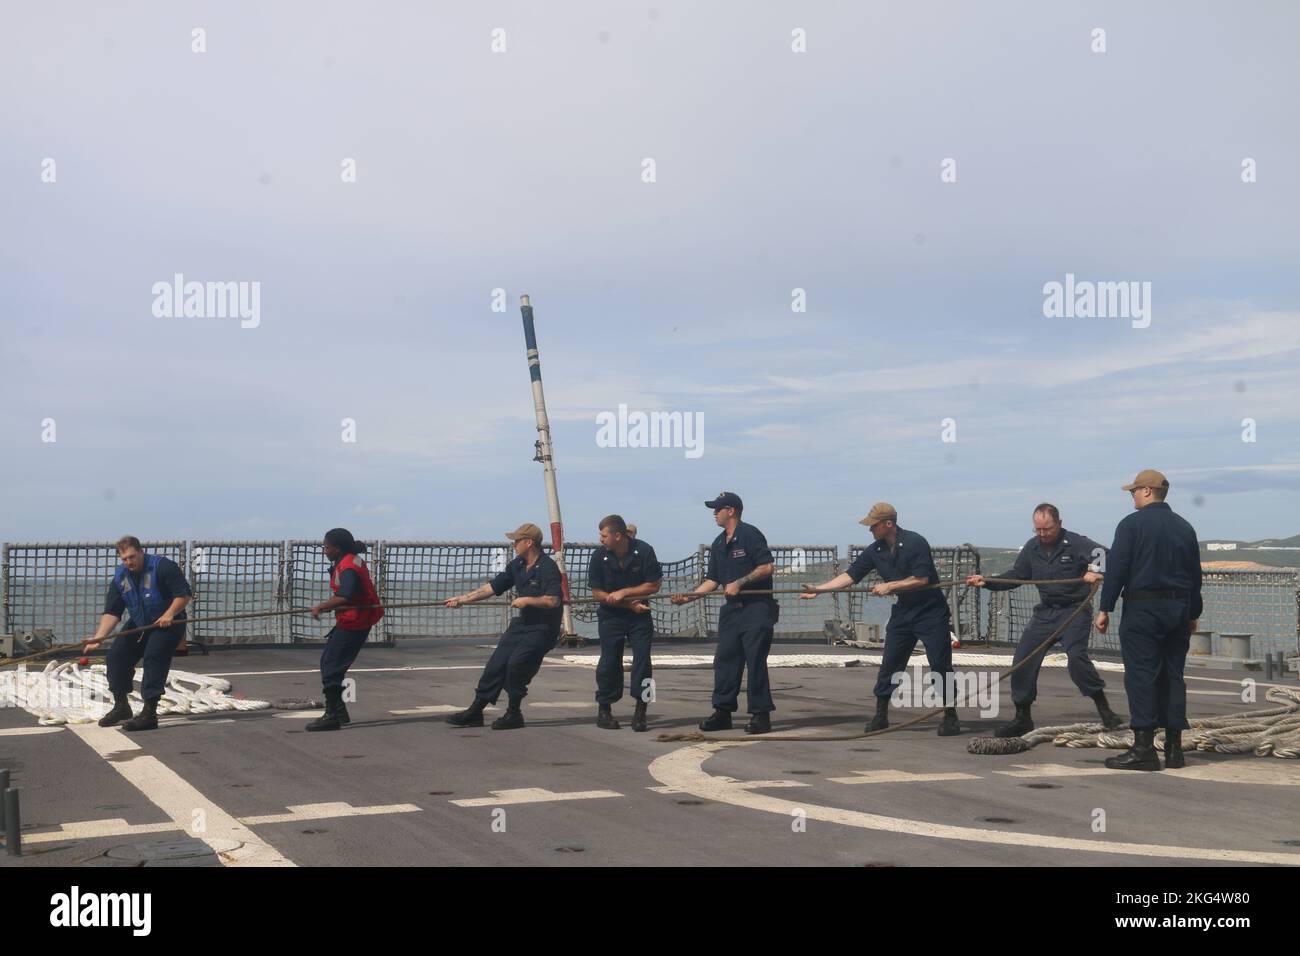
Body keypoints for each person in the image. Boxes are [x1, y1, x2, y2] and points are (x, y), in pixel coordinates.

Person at [802, 503, 960, 736]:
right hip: (904, 611)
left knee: (939, 664)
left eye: (873, 525)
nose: (870, 530)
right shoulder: (875, 550)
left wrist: (890, 586)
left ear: (889, 524)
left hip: (930, 612)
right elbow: (850, 575)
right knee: (890, 663)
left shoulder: (916, 542)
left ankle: (950, 715)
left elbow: (922, 579)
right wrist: (819, 589)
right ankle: (881, 714)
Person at [966, 503, 1119, 736]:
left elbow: (1106, 555)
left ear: (1059, 523)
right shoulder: (1032, 548)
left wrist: (1096, 571)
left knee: (1076, 658)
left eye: (1047, 529)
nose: (1042, 534)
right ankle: (1022, 717)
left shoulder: (1077, 543)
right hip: (1045, 612)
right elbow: (1016, 576)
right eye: (1037, 530)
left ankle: (1104, 709)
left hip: (1074, 610)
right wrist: (986, 581)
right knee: (1022, 660)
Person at [1096, 470, 1203, 771]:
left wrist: (1105, 608)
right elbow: (1195, 576)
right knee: (1173, 676)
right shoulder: (1185, 527)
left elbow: (1117, 569)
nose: (1131, 496)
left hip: (1143, 609)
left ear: (1146, 491)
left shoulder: (1131, 525)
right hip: (1178, 610)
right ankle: (1174, 749)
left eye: (1133, 491)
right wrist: (1193, 613)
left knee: (1142, 676)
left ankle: (1143, 749)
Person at [672, 492, 778, 734]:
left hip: (756, 608)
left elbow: (766, 567)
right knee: (725, 662)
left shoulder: (750, 534)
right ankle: (723, 712)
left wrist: (740, 582)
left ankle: (761, 715)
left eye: (717, 509)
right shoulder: (719, 544)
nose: (714, 513)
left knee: (755, 661)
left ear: (730, 511)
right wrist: (689, 597)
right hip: (731, 612)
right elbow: (712, 580)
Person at [444, 523, 563, 730]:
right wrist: (463, 599)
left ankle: (514, 714)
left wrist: (528, 600)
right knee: (496, 664)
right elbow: (491, 587)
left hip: (543, 627)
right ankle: (476, 711)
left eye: (517, 541)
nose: (514, 544)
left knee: (517, 664)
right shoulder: (517, 564)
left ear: (529, 542)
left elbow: (553, 600)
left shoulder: (548, 567)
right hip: (523, 623)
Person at [89, 536, 193, 732]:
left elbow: (183, 595)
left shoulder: (163, 567)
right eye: (124, 559)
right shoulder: (120, 577)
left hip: (168, 623)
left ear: (141, 552)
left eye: (132, 557)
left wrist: (169, 614)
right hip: (140, 624)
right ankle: (121, 706)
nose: (129, 562)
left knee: (154, 657)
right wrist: (99, 637)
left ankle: (149, 713)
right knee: (116, 656)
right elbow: (113, 611)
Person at [304, 528, 384, 732]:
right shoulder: (350, 560)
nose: (324, 550)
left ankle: (332, 716)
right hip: (351, 620)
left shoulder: (348, 566)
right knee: (328, 663)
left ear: (337, 548)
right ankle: (340, 712)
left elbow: (345, 595)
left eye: (326, 547)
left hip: (354, 622)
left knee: (331, 666)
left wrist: (321, 606)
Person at [588, 515, 662, 732]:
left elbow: (654, 585)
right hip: (611, 616)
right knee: (609, 661)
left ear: (617, 535)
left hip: (640, 616)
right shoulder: (599, 556)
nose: (601, 539)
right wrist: (626, 604)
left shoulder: (645, 551)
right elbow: (596, 592)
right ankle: (604, 709)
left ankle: (642, 709)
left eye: (604, 535)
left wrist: (626, 592)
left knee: (643, 662)